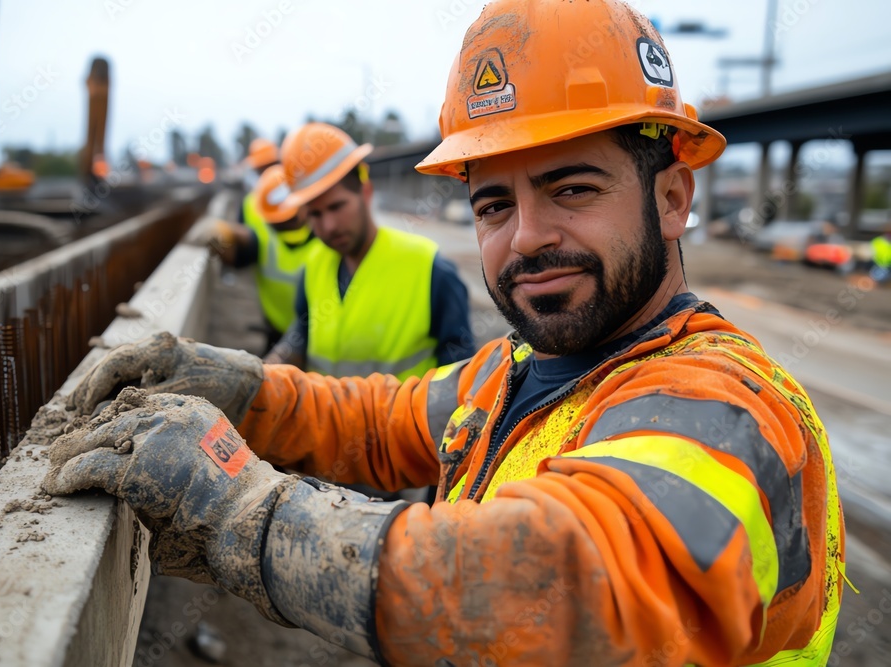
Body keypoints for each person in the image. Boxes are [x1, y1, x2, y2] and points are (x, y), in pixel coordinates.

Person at [45, 1, 846, 665]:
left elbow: (560, 585)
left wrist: (240, 511)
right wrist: (244, 390)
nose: (527, 236)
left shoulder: (724, 402)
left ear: (672, 198)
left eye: (571, 187)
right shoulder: (521, 369)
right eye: (494, 204)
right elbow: (378, 418)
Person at [263, 121, 475, 378]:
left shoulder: (430, 270)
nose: (328, 226)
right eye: (315, 214)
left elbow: (460, 381)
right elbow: (301, 336)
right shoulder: (313, 267)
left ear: (365, 192)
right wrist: (264, 375)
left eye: (337, 207)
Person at [207, 163, 322, 352]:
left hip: (319, 336)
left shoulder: (328, 241)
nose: (286, 224)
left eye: (290, 218)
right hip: (277, 331)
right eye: (279, 221)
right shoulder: (264, 240)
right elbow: (239, 255)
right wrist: (220, 234)